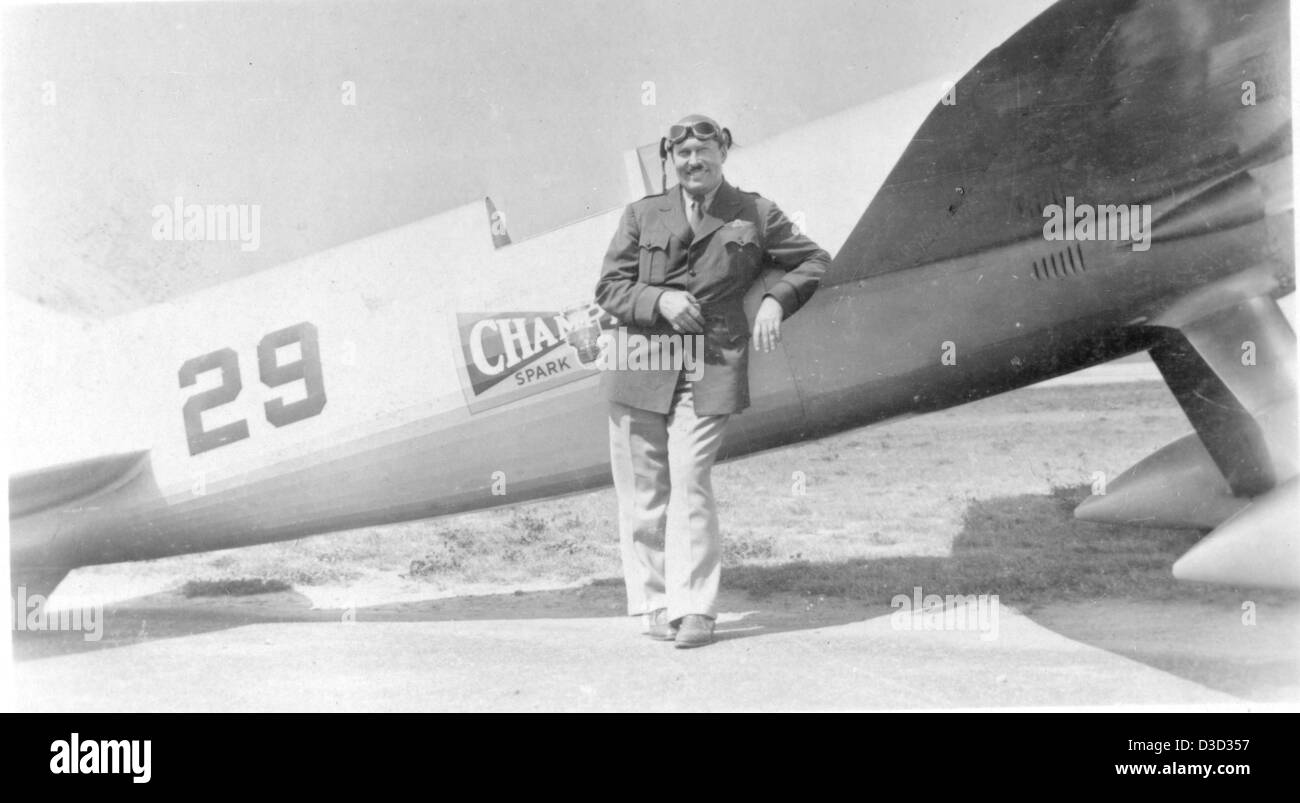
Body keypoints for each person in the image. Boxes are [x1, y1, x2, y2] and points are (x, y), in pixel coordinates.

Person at [594, 114, 830, 648]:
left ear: (723, 152)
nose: (693, 163)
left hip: (711, 363)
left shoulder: (754, 212)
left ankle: (695, 608)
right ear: (671, 160)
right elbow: (609, 288)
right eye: (683, 156)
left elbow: (814, 260)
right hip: (642, 362)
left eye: (703, 152)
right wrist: (660, 300)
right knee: (643, 492)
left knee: (691, 477)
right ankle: (655, 604)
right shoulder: (641, 215)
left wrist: (776, 297)